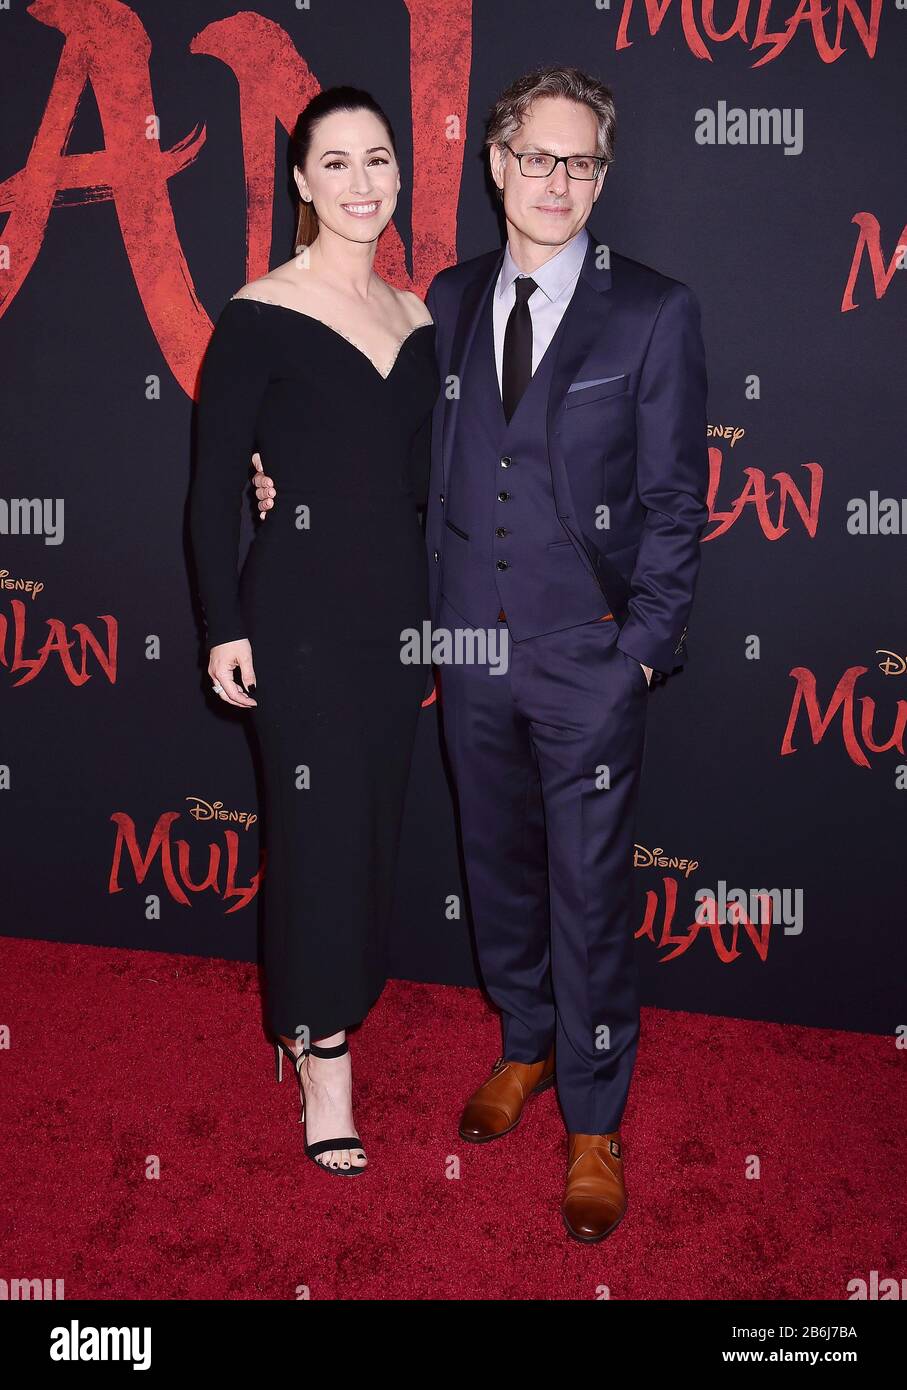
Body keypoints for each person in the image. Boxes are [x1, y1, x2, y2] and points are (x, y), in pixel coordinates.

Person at [255, 64, 709, 1240]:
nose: (558, 181)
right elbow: (384, 459)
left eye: (583, 162)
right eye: (538, 157)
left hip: (587, 657)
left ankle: (595, 1115)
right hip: (463, 648)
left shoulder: (653, 310)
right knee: (495, 871)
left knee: (590, 891)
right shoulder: (443, 301)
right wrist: (280, 480)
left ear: (600, 178)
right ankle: (524, 1044)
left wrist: (643, 653)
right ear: (498, 165)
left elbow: (673, 499)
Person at [189, 87, 437, 1176]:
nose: (359, 183)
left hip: (396, 619)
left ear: (400, 174)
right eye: (332, 163)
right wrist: (220, 625)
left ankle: (338, 1002)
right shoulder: (255, 312)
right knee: (316, 831)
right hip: (290, 616)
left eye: (376, 159)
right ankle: (320, 1056)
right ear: (299, 182)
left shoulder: (421, 321)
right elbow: (207, 493)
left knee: (373, 822)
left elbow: (428, 490)